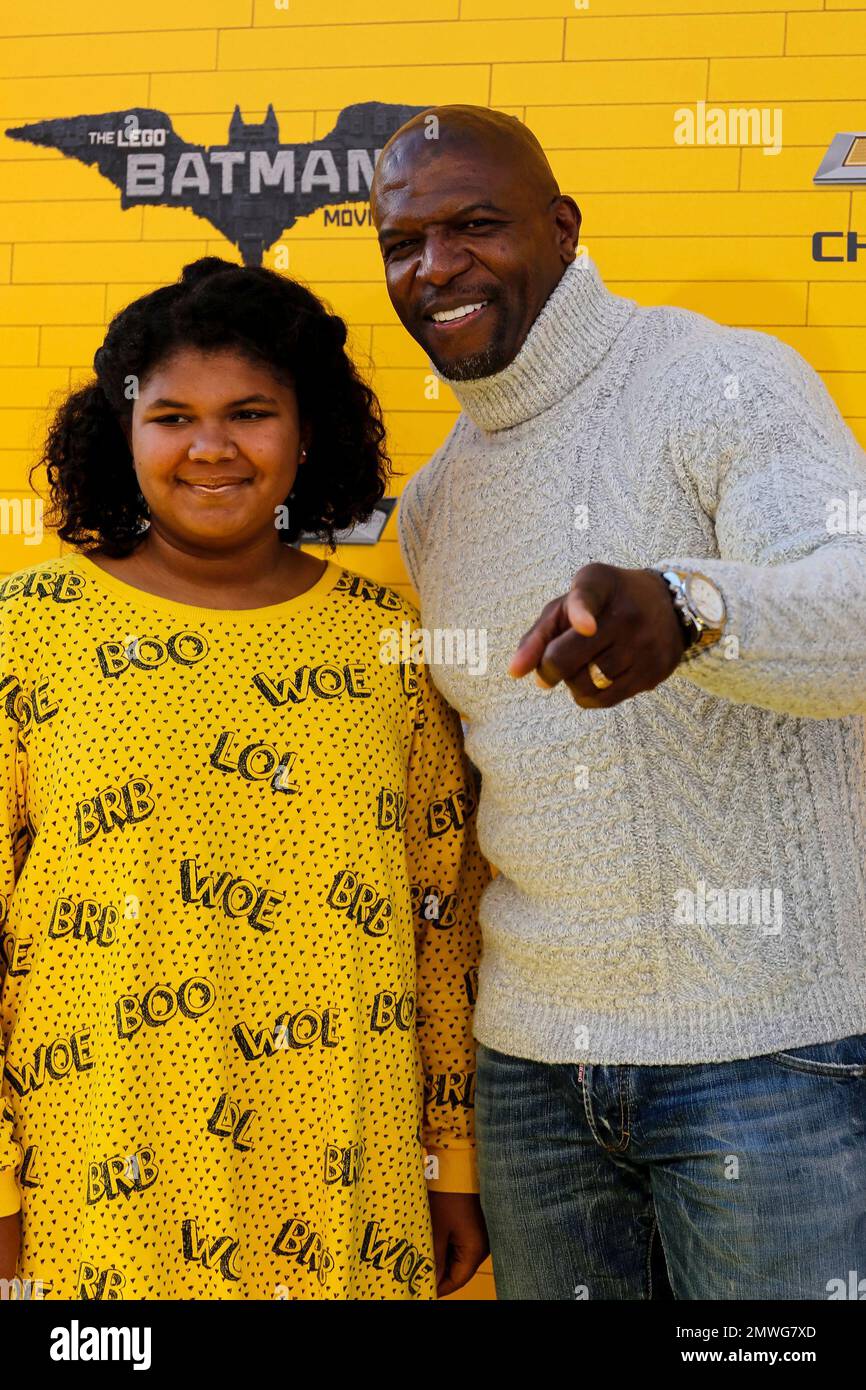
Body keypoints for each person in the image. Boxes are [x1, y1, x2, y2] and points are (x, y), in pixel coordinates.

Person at [370, 105, 866, 1300]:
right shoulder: (432, 507)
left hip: (767, 1056)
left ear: (561, 225)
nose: (435, 266)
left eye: (473, 225)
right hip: (532, 1078)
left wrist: (689, 609)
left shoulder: (721, 380)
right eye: (402, 240)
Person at [0, 256, 490, 1300]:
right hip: (97, 1155)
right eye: (170, 415)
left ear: (305, 433)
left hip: (341, 1156)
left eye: (251, 412)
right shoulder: (27, 626)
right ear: (121, 432)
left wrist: (452, 1157)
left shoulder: (386, 641)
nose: (210, 447)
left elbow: (440, 913)